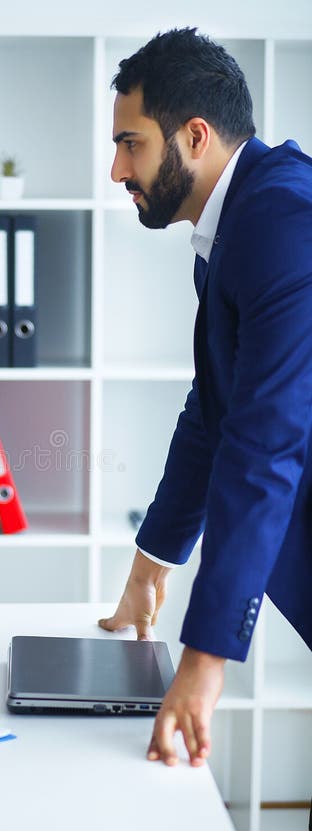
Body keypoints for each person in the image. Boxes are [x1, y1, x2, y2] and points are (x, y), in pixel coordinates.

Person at [98, 28, 312, 771]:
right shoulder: (238, 221)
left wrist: (204, 658)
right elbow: (213, 410)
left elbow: (264, 445)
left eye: (131, 144)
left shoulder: (282, 223)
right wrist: (150, 565)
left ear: (195, 136)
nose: (117, 169)